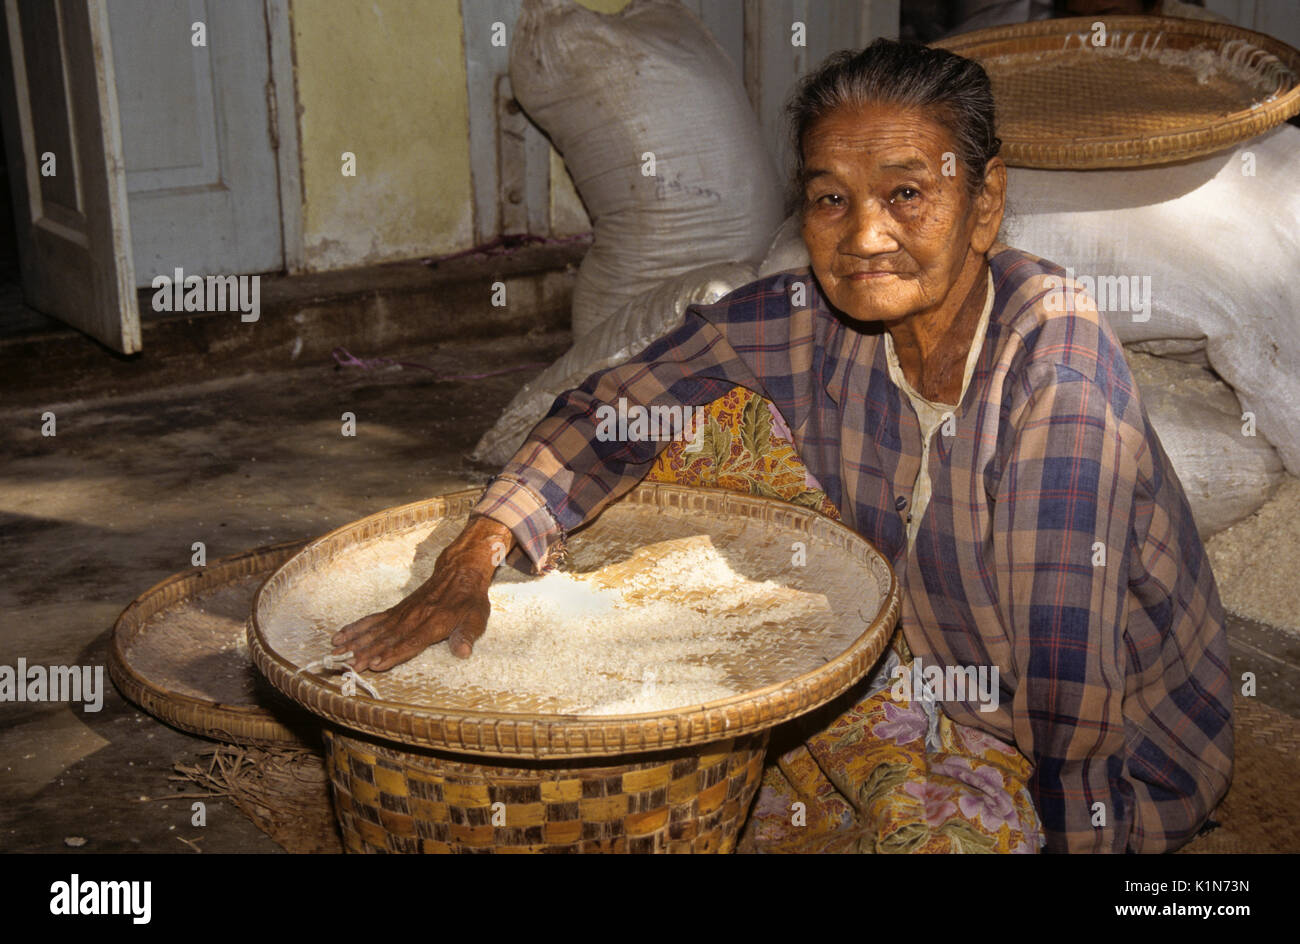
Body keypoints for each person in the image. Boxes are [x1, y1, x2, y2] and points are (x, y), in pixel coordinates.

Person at [333, 38, 1233, 854]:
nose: (865, 236)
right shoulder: (813, 317)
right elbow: (615, 406)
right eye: (830, 198)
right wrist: (475, 554)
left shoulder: (1056, 383)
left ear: (986, 201)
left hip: (1101, 766)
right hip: (931, 673)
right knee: (703, 419)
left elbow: (1071, 695)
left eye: (907, 194)